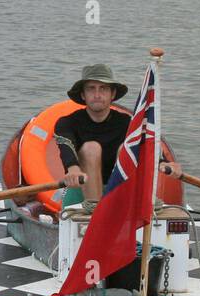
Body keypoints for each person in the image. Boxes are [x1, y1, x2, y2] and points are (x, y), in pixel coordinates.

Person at [57, 63, 181, 209]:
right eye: (91, 89)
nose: (97, 95)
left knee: (125, 148)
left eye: (103, 88)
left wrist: (163, 162)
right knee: (91, 148)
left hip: (119, 195)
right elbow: (66, 146)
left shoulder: (127, 123)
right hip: (80, 192)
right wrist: (73, 169)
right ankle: (94, 212)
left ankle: (121, 212)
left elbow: (145, 144)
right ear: (83, 94)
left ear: (113, 94)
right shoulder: (67, 122)